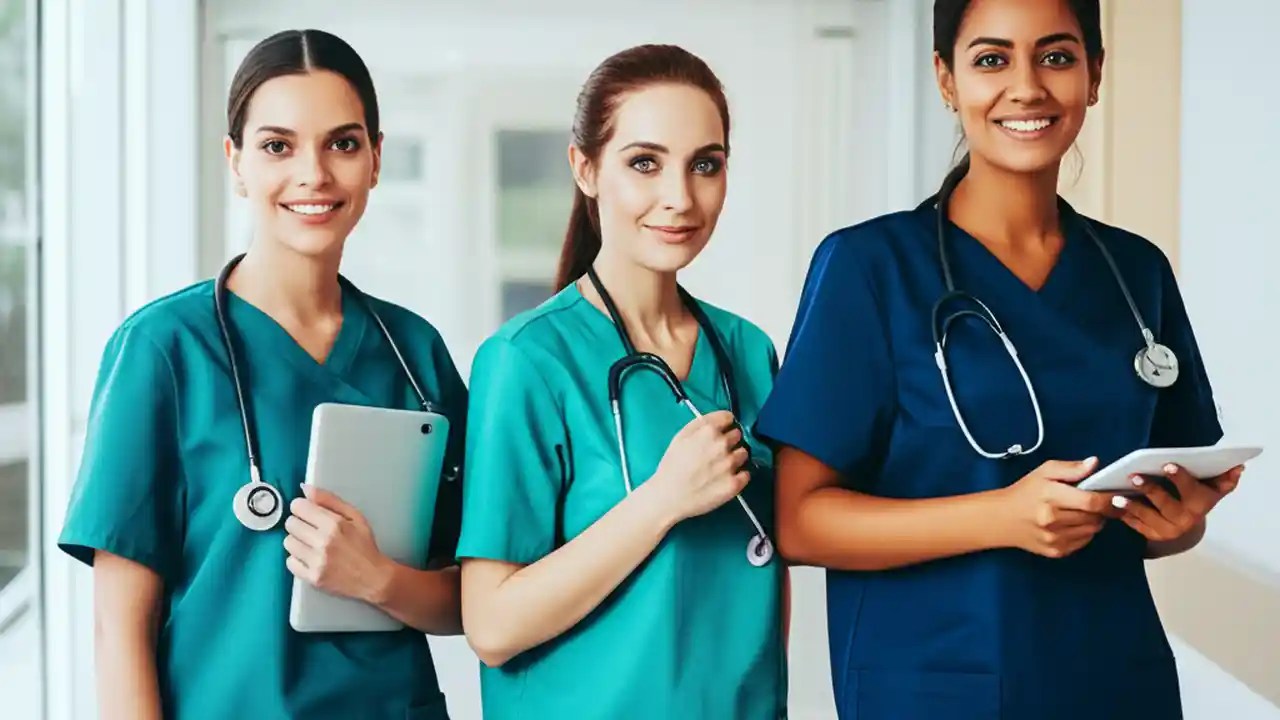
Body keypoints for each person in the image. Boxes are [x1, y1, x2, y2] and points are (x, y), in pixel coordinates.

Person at [754, 1, 1243, 718]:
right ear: (946, 79)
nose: (1027, 87)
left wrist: (1179, 524)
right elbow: (800, 523)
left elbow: (1166, 512)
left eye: (1056, 57)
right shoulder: (869, 267)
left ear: (1094, 74)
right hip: (936, 686)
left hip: (1116, 679)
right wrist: (1002, 517)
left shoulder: (1136, 273)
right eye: (991, 59)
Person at [57, 29, 467, 720]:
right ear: (236, 162)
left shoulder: (413, 351)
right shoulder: (163, 350)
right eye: (278, 146)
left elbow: (476, 599)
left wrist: (378, 579)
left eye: (342, 144)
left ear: (375, 160)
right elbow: (118, 627)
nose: (314, 174)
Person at [455, 44, 788, 719]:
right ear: (585, 169)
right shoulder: (526, 361)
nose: (680, 198)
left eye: (705, 165)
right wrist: (663, 500)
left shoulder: (748, 352)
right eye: (645, 163)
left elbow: (761, 571)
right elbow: (491, 625)